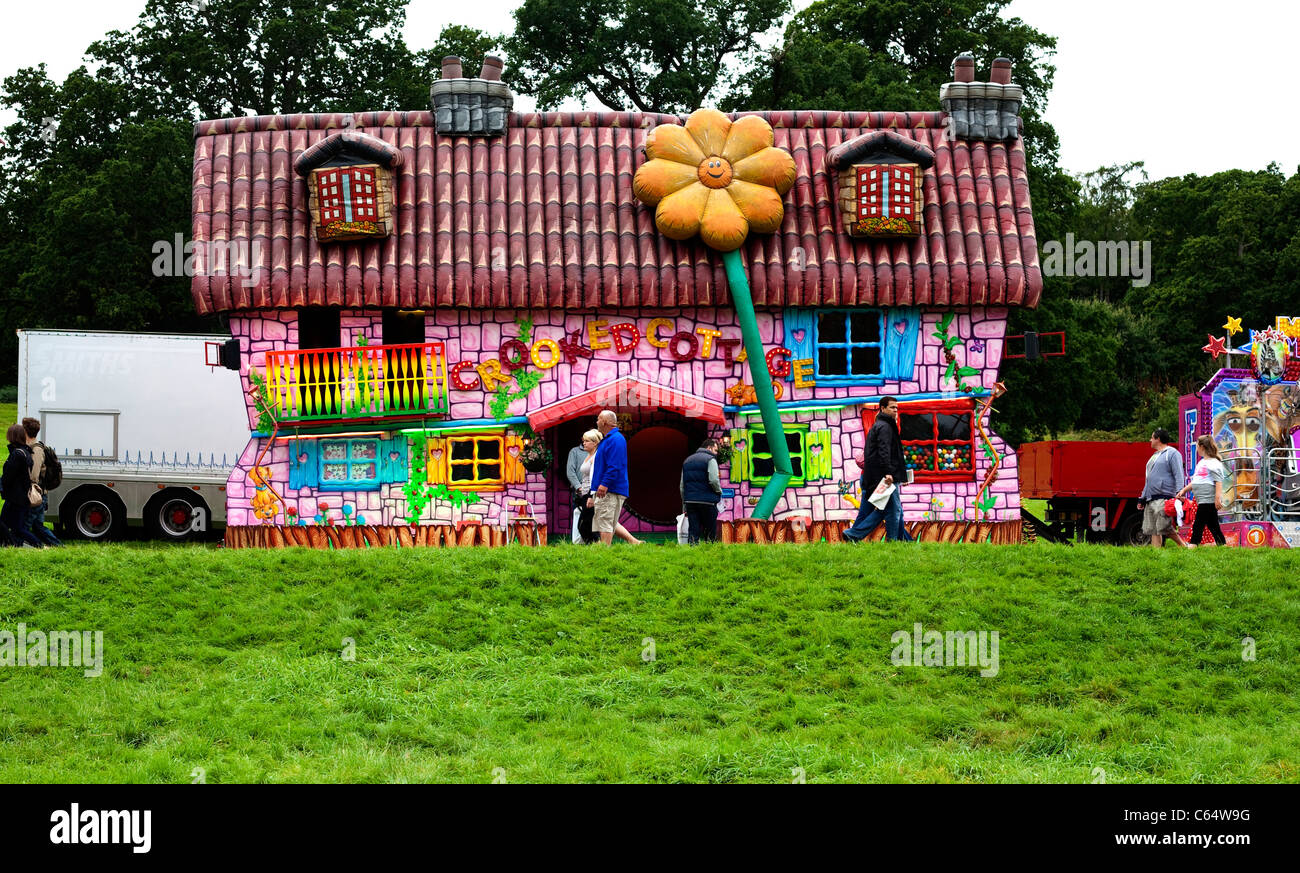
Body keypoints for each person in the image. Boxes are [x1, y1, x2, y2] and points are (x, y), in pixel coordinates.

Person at [845, 396, 910, 542]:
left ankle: (853, 535)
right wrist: (888, 472)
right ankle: (893, 541)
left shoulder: (883, 425)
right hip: (883, 478)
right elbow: (884, 451)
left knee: (879, 510)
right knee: (893, 510)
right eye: (892, 407)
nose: (895, 410)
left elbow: (890, 453)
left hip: (875, 476)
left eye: (896, 408)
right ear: (882, 408)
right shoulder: (885, 427)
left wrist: (901, 475)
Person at [590, 410, 641, 546]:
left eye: (598, 419)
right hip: (607, 489)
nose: (597, 422)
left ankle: (605, 552)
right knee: (605, 520)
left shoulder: (615, 439)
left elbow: (614, 465)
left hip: (610, 490)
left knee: (605, 520)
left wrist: (604, 484)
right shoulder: (609, 439)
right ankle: (608, 549)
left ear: (605, 422)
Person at [1176, 435, 1228, 547]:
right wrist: (1184, 490)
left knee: (1198, 522)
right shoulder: (1202, 462)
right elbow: (1196, 481)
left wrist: (1217, 498)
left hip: (1207, 498)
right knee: (1213, 524)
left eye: (1197, 445)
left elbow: (1218, 481)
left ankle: (1193, 544)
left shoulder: (1213, 463)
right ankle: (1222, 544)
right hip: (1202, 499)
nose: (1197, 448)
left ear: (1202, 447)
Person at [1138, 427, 1186, 547]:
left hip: (1164, 495)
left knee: (1164, 525)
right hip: (1151, 497)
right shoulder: (1154, 456)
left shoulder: (1173, 453)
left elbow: (1178, 473)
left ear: (1158, 439)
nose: (1150, 440)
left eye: (1152, 437)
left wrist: (1180, 492)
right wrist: (1142, 497)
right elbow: (1148, 478)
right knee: (1153, 528)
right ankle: (1156, 554)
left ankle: (1183, 546)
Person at [22, 417, 62, 547]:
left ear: (25, 431)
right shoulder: (32, 447)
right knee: (38, 526)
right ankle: (58, 546)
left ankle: (23, 545)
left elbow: (34, 476)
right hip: (41, 494)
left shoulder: (36, 450)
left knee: (24, 525)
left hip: (37, 494)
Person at [2, 423, 42, 548]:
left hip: (15, 498)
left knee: (15, 528)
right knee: (14, 527)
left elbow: (8, 477)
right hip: (21, 496)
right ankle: (9, 544)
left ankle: (38, 545)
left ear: (12, 436)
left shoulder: (17, 454)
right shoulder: (25, 452)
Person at [680, 438, 723, 544]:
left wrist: (685, 502)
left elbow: (682, 486)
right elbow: (713, 480)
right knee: (710, 530)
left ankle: (693, 552)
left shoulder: (687, 460)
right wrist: (719, 491)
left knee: (693, 530)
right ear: (709, 447)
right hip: (708, 501)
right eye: (716, 450)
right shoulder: (710, 459)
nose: (716, 453)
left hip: (691, 501)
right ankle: (710, 551)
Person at [566, 439, 588, 543]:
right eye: (585, 440)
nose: (585, 442)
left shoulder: (599, 452)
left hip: (595, 490)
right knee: (578, 515)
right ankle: (577, 542)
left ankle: (594, 542)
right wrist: (579, 487)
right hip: (579, 491)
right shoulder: (575, 452)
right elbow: (570, 471)